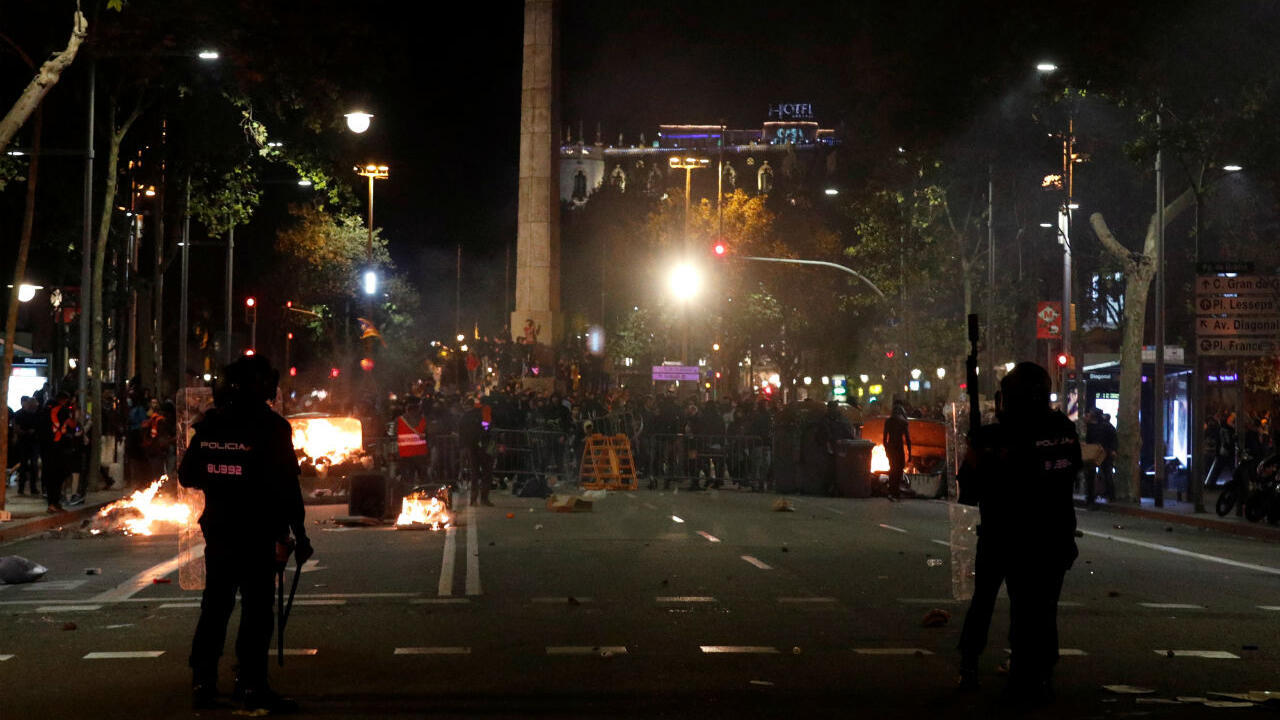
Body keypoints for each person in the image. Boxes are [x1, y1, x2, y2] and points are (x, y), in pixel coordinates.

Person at [179, 355, 311, 713]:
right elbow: (287, 487)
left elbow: (187, 475)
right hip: (257, 533)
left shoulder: (211, 426)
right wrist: (298, 533)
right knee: (256, 610)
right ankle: (251, 683)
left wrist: (221, 473)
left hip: (220, 531)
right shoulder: (272, 428)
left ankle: (203, 681)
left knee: (216, 607)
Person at [955, 362, 1080, 704]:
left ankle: (974, 664)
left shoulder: (998, 437)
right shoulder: (1064, 431)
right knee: (1040, 609)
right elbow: (1069, 474)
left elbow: (969, 489)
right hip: (1053, 535)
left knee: (988, 602)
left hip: (1006, 534)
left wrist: (983, 454)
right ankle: (1039, 674)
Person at [458, 399, 494, 506]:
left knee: (475, 473)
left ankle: (473, 499)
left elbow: (462, 433)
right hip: (483, 447)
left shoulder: (465, 417)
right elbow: (487, 427)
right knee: (486, 473)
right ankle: (484, 498)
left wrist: (463, 447)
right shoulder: (482, 414)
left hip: (471, 447)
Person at [12, 396, 43, 496]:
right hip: (27, 442)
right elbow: (16, 428)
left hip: (30, 442)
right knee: (26, 465)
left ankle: (27, 488)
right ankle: (26, 488)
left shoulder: (22, 414)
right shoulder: (21, 414)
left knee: (29, 465)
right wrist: (27, 432)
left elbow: (16, 428)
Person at [882, 401, 912, 500]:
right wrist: (910, 453)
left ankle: (892, 490)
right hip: (898, 447)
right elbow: (907, 439)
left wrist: (886, 449)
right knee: (899, 468)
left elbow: (884, 438)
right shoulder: (903, 422)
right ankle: (895, 490)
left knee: (893, 468)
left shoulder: (888, 421)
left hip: (891, 447)